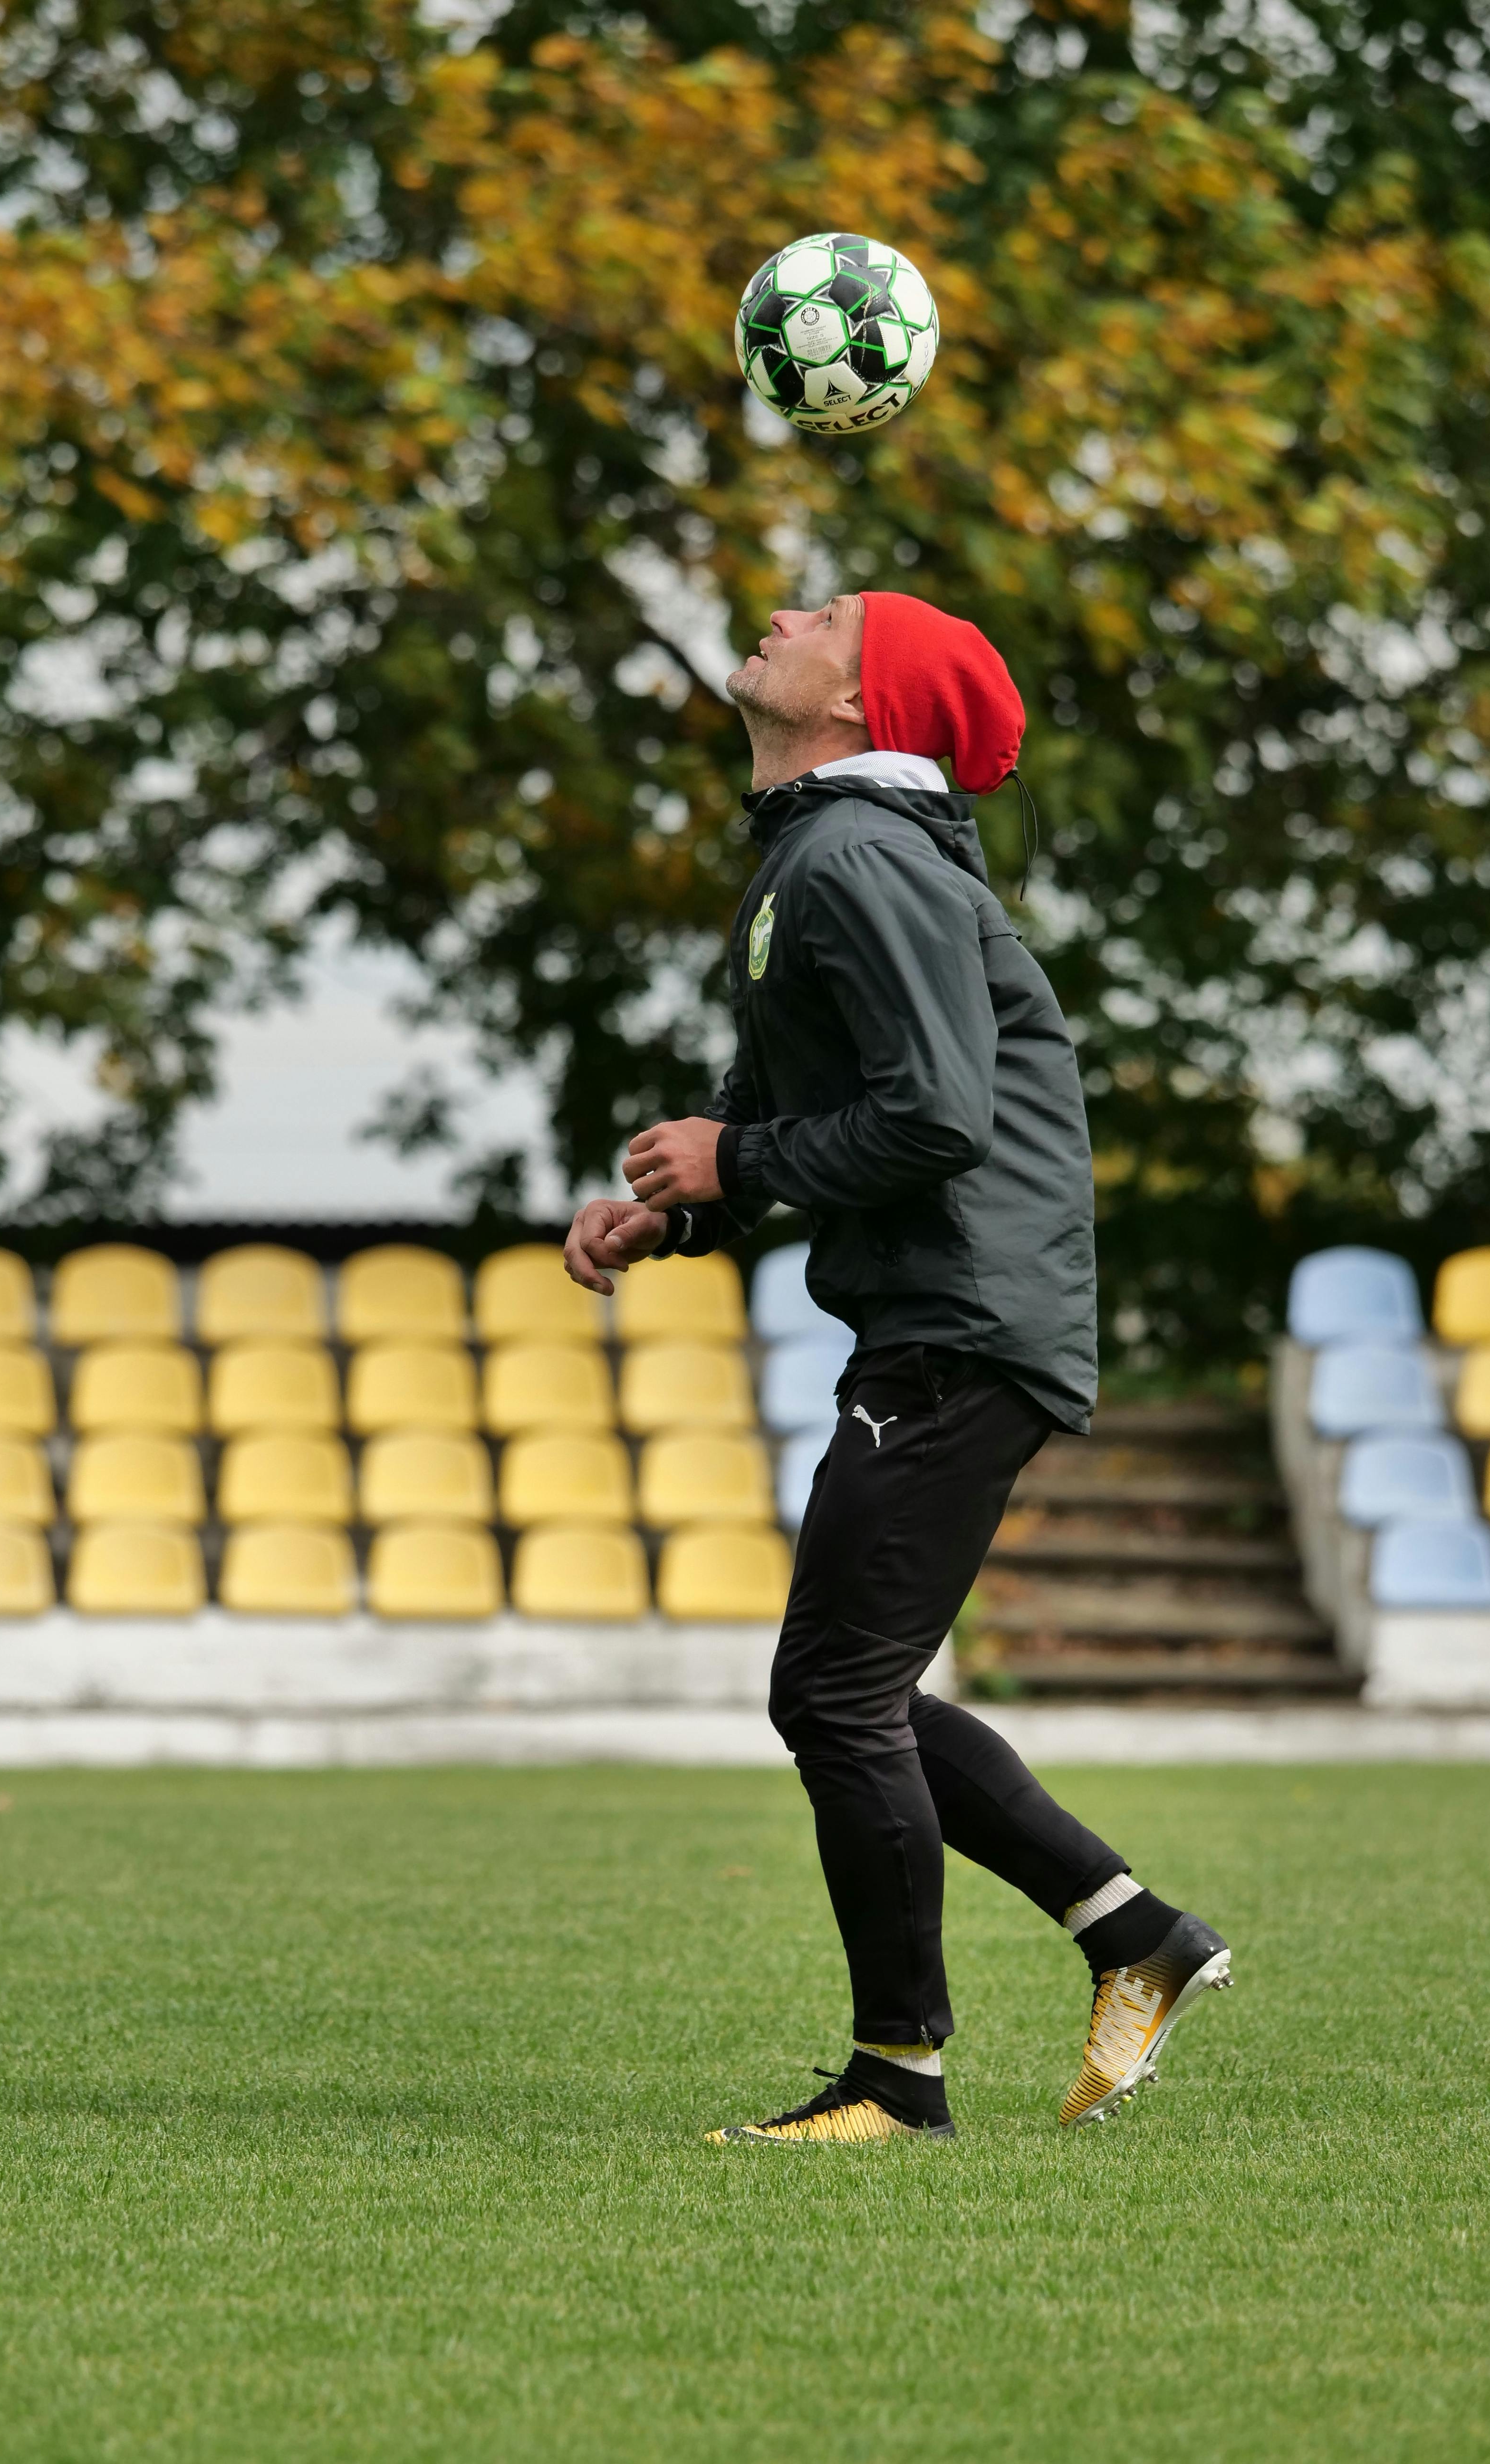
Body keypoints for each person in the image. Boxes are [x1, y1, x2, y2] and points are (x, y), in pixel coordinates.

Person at [562, 590, 1232, 2143]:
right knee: (849, 1689)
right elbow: (823, 1121)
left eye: (823, 614)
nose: (781, 612)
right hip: (949, 1316)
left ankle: (898, 2082)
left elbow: (935, 1115)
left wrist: (734, 1157)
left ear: (866, 704)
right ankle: (1137, 1937)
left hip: (962, 1323)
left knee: (837, 1695)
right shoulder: (825, 851)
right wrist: (681, 1213)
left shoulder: (856, 854)